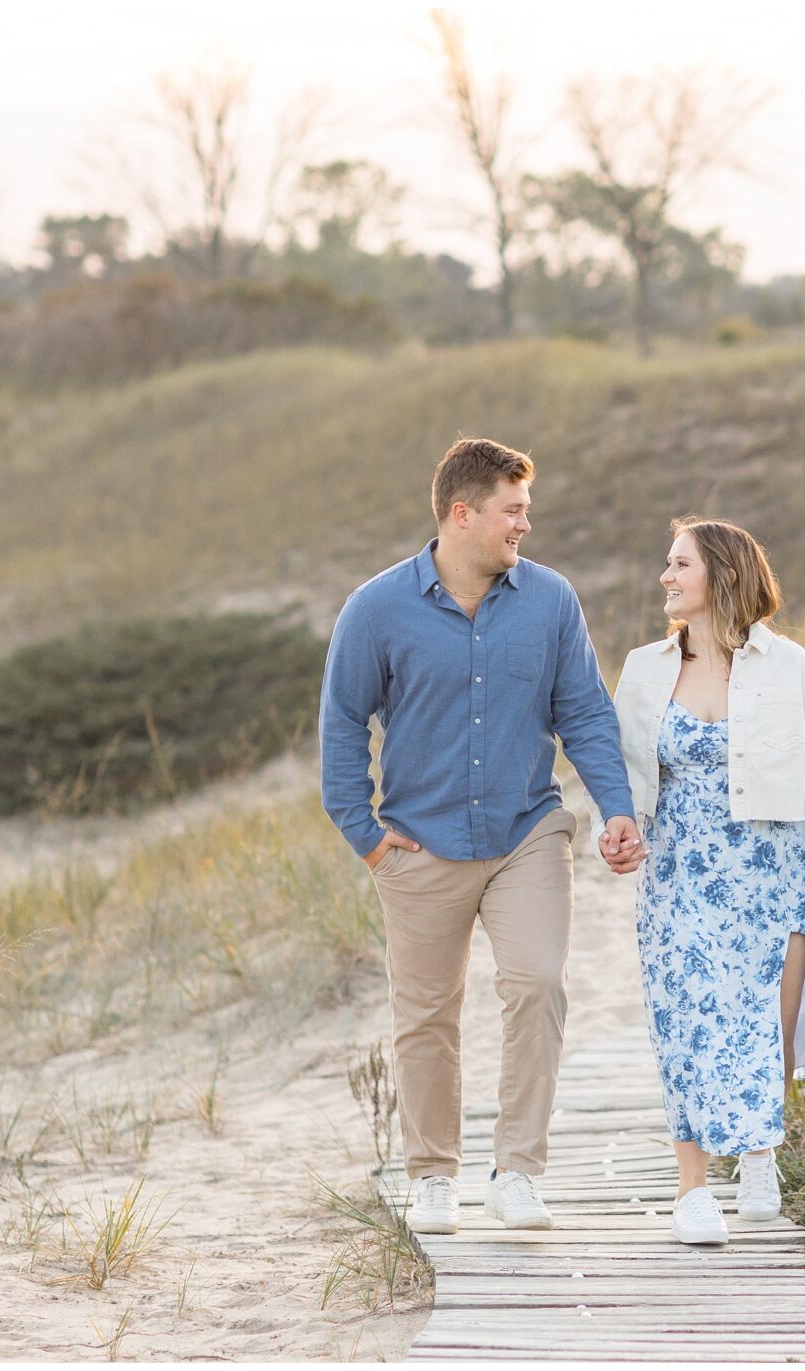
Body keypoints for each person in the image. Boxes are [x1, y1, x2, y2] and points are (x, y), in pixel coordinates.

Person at [319, 437, 643, 1236]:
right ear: (462, 515)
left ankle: (518, 1171)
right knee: (426, 1015)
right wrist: (363, 833)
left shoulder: (551, 600)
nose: (525, 525)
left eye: (525, 510)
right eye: (513, 510)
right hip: (419, 845)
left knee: (537, 983)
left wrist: (617, 806)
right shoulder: (375, 609)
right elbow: (340, 724)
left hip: (527, 831)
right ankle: (432, 1174)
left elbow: (586, 713)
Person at [608, 517, 805, 1246]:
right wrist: (615, 825)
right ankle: (692, 1188)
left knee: (767, 1023)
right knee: (686, 1021)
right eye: (666, 563)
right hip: (680, 873)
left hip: (775, 870)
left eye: (680, 563)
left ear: (722, 574)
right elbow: (617, 771)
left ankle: (758, 1155)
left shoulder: (791, 669)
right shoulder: (644, 669)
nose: (666, 576)